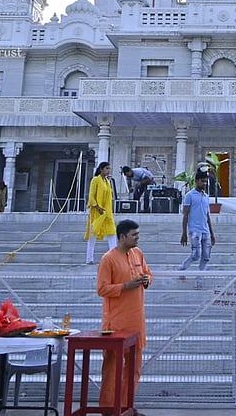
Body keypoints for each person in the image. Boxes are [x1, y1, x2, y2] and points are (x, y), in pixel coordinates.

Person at [96, 220, 150, 411]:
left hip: (136, 322)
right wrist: (126, 286)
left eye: (138, 234)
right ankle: (109, 408)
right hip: (116, 324)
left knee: (133, 369)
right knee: (112, 370)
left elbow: (147, 274)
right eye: (134, 234)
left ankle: (127, 407)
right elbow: (102, 289)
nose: (137, 237)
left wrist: (145, 280)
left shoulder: (138, 253)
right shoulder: (108, 259)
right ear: (122, 236)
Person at [178, 171, 215, 280]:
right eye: (202, 181)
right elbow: (185, 215)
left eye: (205, 181)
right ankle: (181, 269)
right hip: (194, 230)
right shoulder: (189, 195)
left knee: (206, 257)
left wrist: (212, 234)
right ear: (196, 181)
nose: (204, 183)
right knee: (195, 255)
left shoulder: (206, 196)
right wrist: (184, 233)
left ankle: (200, 279)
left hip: (205, 230)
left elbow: (207, 215)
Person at [85, 162, 118, 264]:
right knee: (93, 235)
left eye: (109, 168)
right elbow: (91, 196)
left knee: (112, 234)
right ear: (101, 170)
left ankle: (115, 259)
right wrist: (97, 207)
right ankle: (89, 259)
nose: (109, 171)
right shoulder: (95, 180)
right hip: (97, 212)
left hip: (107, 213)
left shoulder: (108, 181)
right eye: (107, 168)